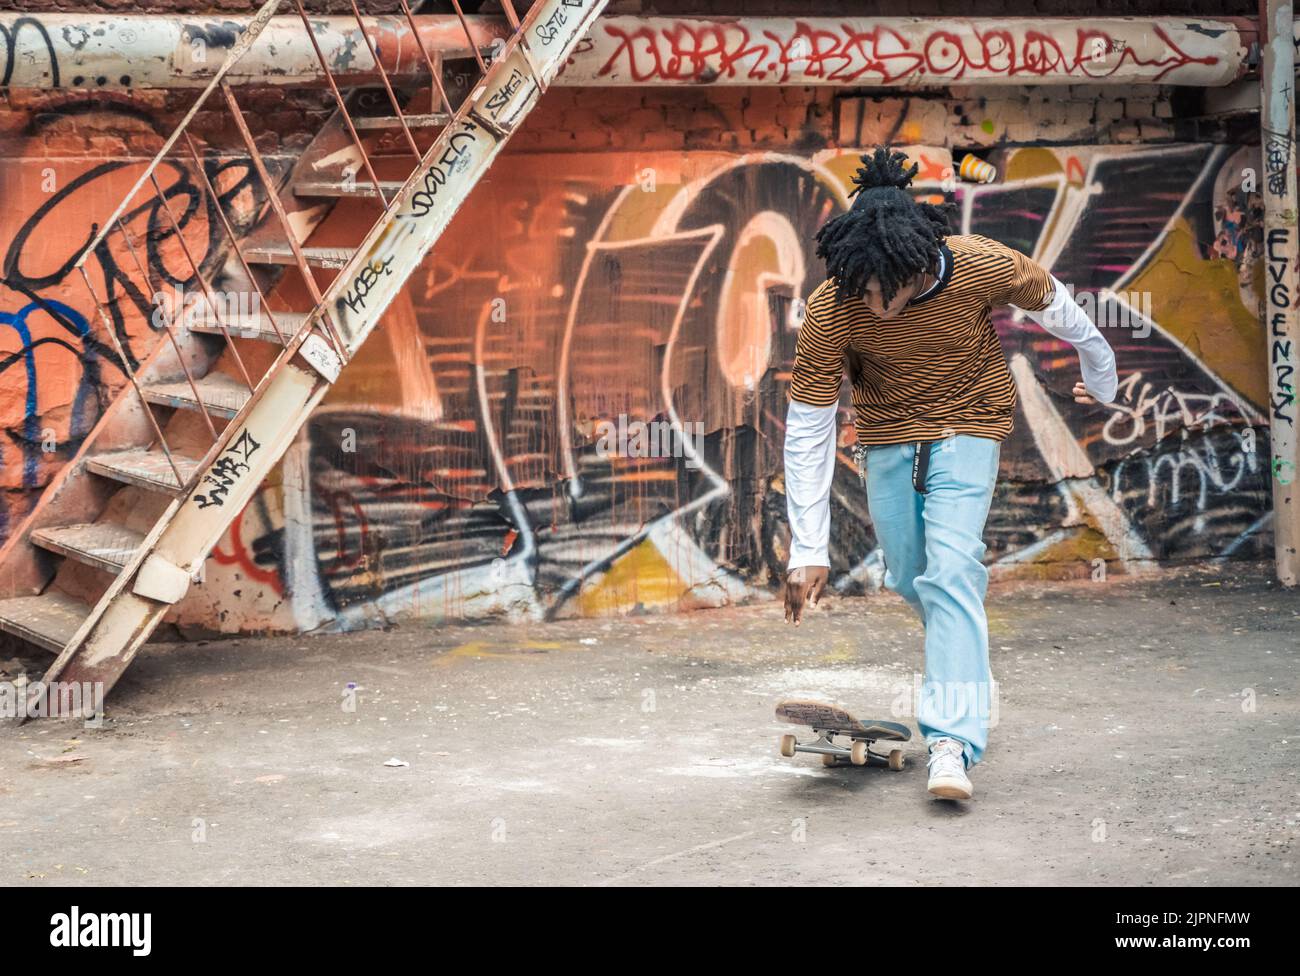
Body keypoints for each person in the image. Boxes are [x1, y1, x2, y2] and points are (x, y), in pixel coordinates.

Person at [782, 147, 1119, 801]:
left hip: (969, 425)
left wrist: (1100, 380)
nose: (879, 308)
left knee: (953, 570)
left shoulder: (980, 264)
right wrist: (806, 548)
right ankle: (961, 675)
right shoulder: (833, 306)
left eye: (893, 292)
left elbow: (1067, 315)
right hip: (887, 437)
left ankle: (950, 742)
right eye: (866, 293)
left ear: (921, 261)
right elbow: (808, 426)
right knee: (912, 577)